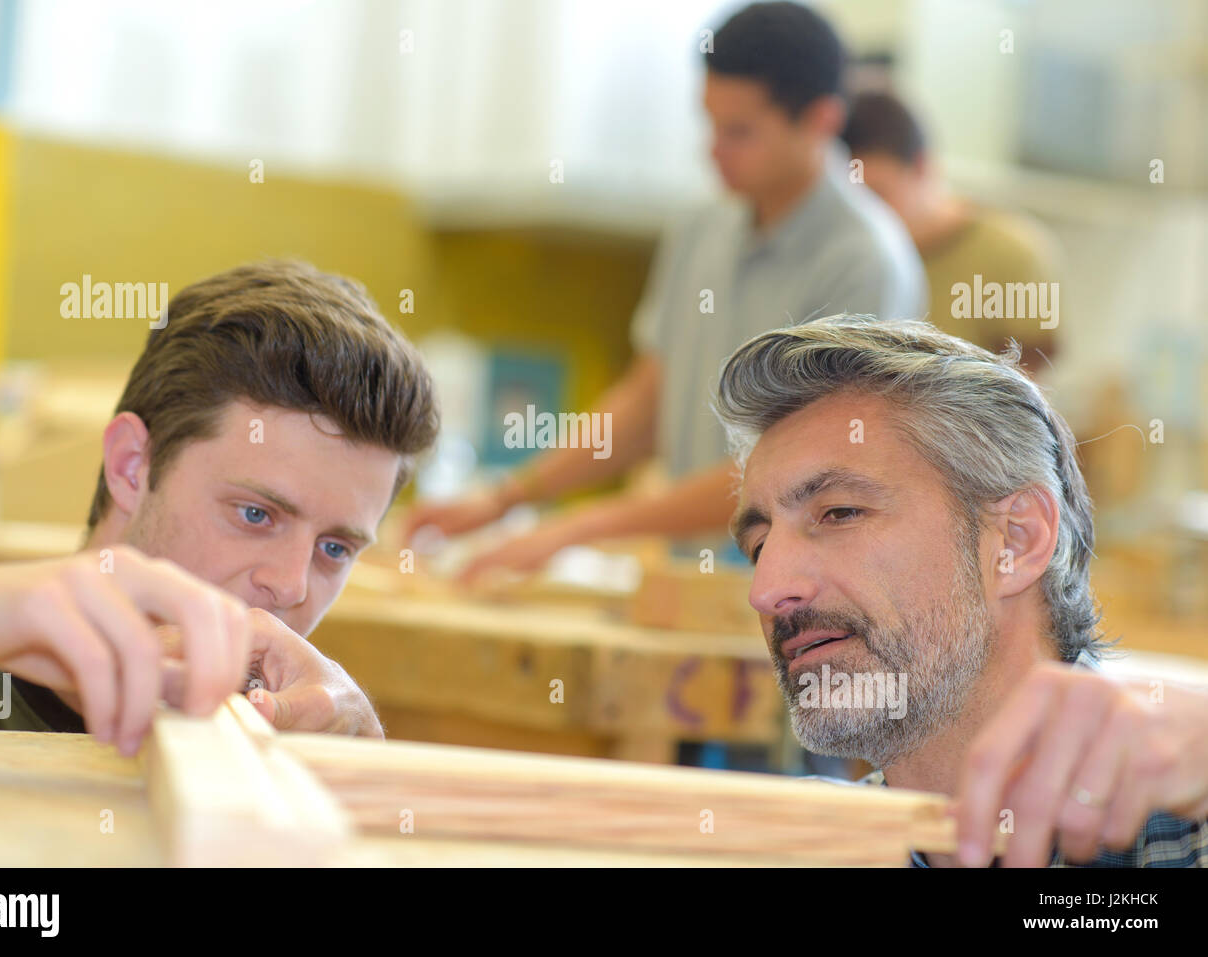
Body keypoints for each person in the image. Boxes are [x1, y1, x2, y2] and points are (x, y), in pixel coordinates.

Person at [404, 2, 925, 582]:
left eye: (740, 131)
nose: (713, 149)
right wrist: (506, 498)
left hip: (809, 591)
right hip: (693, 576)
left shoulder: (865, 261)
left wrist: (580, 527)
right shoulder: (701, 231)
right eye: (710, 124)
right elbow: (648, 402)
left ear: (821, 120)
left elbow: (800, 469)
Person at [716, 314, 1207, 867]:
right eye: (758, 546)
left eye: (839, 513)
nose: (768, 589)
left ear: (1015, 540)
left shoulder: (1187, 829)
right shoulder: (812, 850)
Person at [0, 260, 440, 755]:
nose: (292, 585)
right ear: (132, 465)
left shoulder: (278, 753)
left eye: (334, 548)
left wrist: (352, 770)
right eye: (256, 514)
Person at [841, 90, 1063, 374]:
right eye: (852, 198)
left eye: (878, 193)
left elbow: (1034, 374)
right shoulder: (846, 256)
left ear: (921, 168)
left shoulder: (1014, 251)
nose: (866, 213)